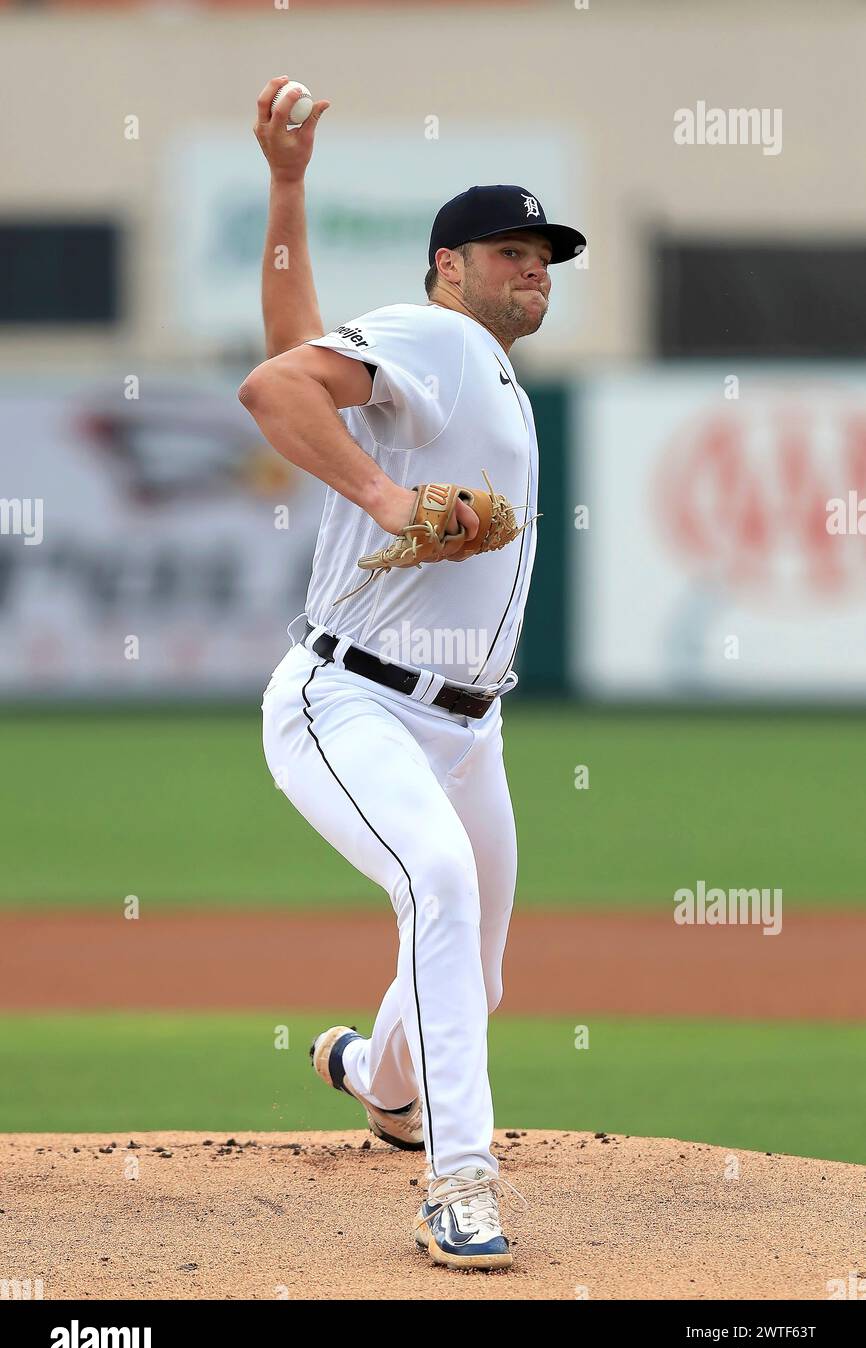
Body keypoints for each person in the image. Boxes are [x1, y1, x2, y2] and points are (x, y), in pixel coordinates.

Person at [238, 77, 586, 1272]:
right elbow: (272, 389)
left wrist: (286, 189)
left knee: (474, 964)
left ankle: (379, 1082)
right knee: (434, 882)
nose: (533, 268)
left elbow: (293, 350)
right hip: (350, 699)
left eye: (545, 253)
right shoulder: (441, 337)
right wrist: (390, 499)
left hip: (465, 729)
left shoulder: (468, 366)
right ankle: (459, 1181)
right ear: (448, 267)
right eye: (508, 250)